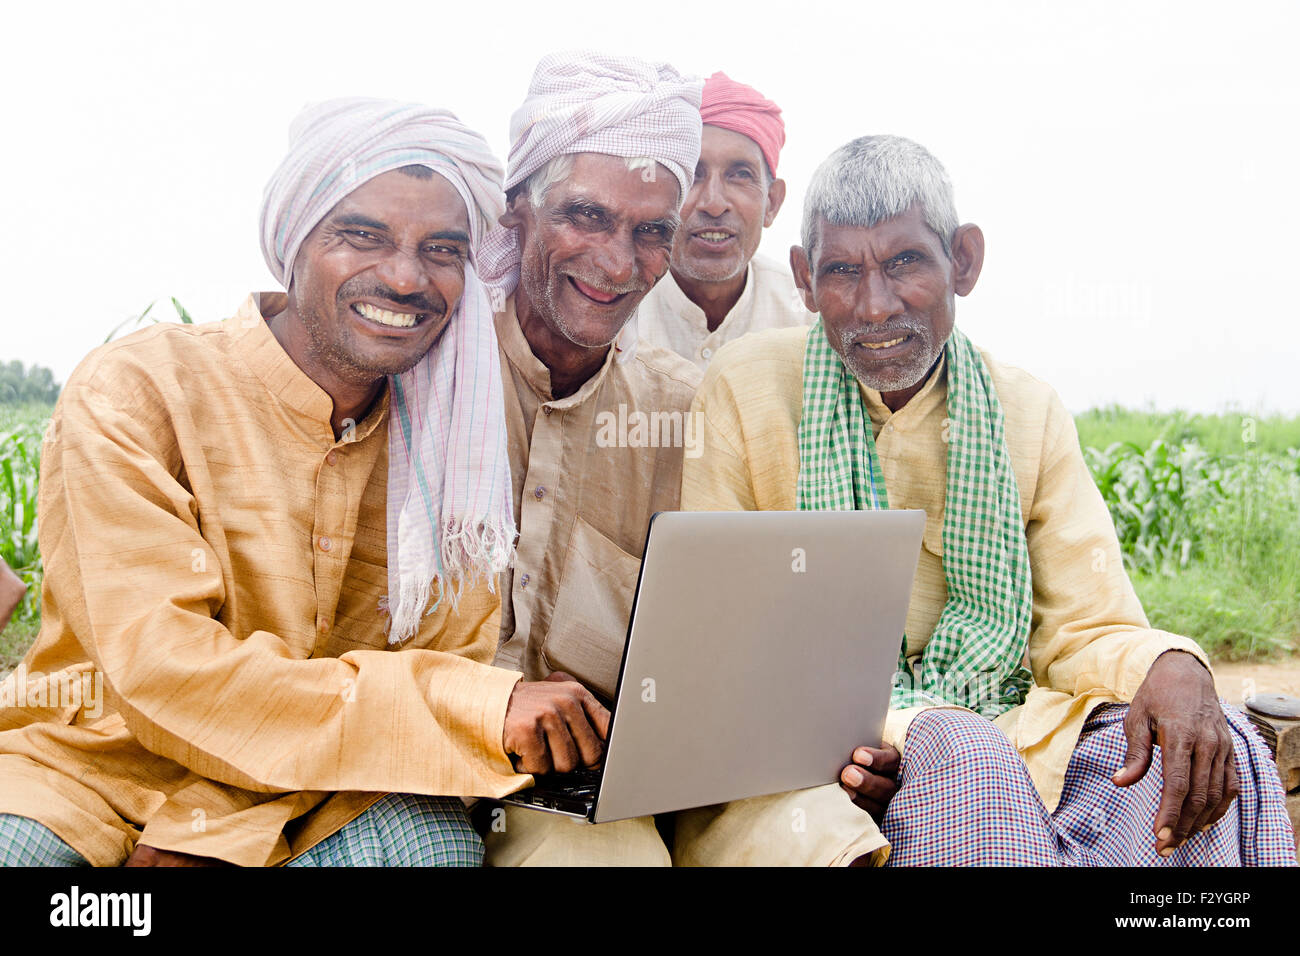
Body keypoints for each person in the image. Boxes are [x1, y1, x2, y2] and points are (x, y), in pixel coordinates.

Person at [0, 98, 609, 868]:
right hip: (90, 774)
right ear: (291, 243)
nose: (404, 276)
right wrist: (480, 707)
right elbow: (162, 671)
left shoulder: (460, 447)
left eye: (443, 249)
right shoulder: (136, 392)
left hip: (318, 798)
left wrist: (213, 833)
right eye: (362, 236)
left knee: (430, 857)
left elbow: (443, 655)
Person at [680, 134, 1297, 865]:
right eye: (843, 271)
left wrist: (1174, 664)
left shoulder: (1025, 409)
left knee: (1198, 748)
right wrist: (869, 739)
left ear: (964, 261)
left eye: (904, 262)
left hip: (1006, 720)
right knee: (962, 755)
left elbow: (1083, 627)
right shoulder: (746, 388)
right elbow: (720, 637)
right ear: (806, 281)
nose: (874, 307)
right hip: (798, 758)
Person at [462, 51, 706, 866]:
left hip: (586, 794)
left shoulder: (685, 413)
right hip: (414, 767)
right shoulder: (426, 374)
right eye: (587, 216)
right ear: (517, 211)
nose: (616, 262)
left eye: (650, 232)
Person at [637, 71, 812, 369]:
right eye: (692, 174)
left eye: (740, 175)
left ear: (772, 202)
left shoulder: (808, 318)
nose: (714, 204)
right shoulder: (616, 309)